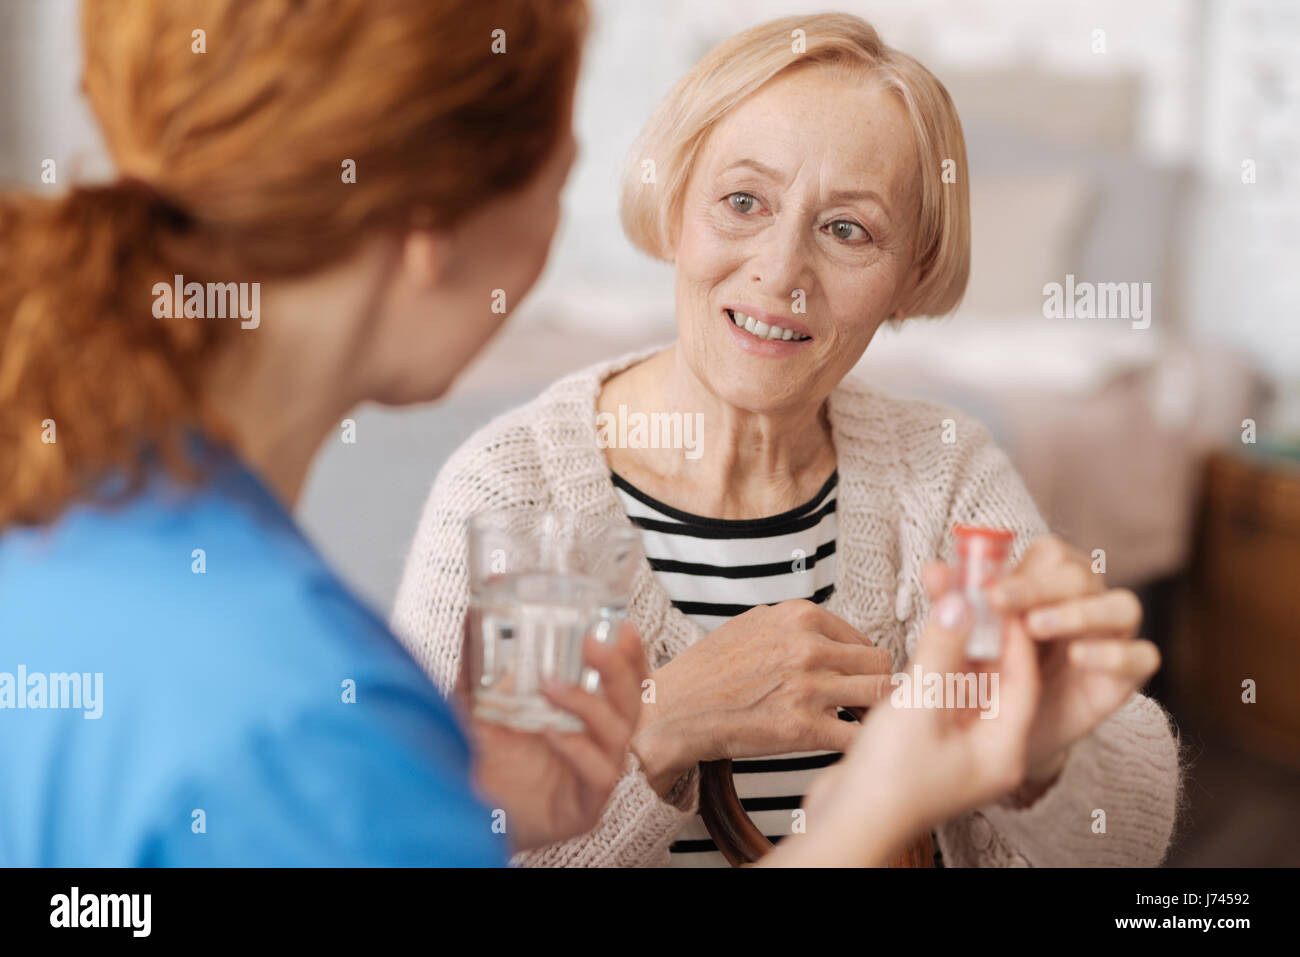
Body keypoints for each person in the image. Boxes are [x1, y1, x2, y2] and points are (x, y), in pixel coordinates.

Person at [391, 13, 1179, 868]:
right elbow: (416, 841)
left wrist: (1043, 755)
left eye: (848, 229)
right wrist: (658, 724)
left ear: (912, 270)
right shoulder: (513, 488)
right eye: (742, 202)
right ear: (676, 204)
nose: (779, 272)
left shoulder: (944, 470)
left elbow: (1123, 840)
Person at [0, 0, 641, 866]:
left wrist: (447, 806)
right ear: (433, 228)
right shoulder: (302, 728)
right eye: (559, 181)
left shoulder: (62, 484)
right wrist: (858, 817)